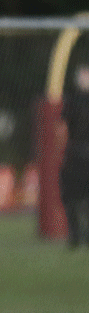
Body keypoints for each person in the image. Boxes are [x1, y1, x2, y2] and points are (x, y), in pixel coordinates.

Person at [60, 63, 89, 249]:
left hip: (78, 150)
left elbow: (61, 128)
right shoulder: (72, 101)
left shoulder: (72, 100)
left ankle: (79, 234)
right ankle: (77, 234)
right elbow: (62, 127)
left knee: (76, 195)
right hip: (76, 150)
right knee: (72, 195)